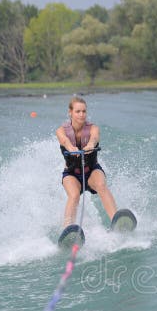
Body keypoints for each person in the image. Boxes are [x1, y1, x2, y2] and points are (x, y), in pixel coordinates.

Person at [56, 96, 117, 227]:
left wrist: (90, 145)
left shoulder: (93, 128)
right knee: (74, 196)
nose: (81, 114)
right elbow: (65, 141)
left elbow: (94, 138)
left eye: (84, 111)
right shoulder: (61, 131)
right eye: (78, 111)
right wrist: (71, 148)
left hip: (92, 171)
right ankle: (68, 230)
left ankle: (116, 221)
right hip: (72, 174)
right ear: (70, 112)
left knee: (101, 185)